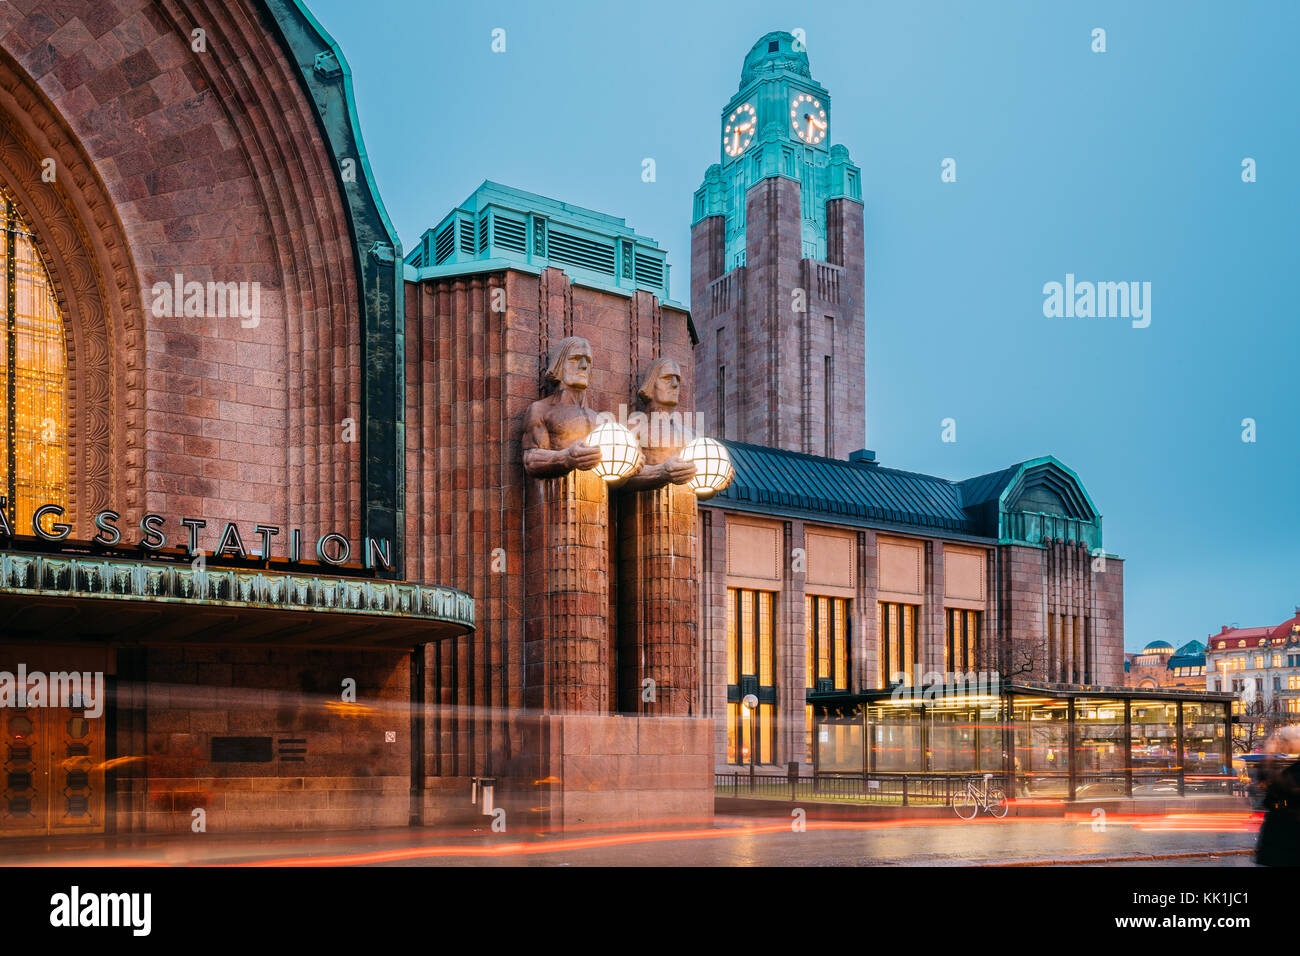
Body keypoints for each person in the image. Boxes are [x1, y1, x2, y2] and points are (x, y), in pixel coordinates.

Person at [1254, 725, 1300, 866]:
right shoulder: (1292, 769)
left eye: (1285, 741)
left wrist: (1268, 760)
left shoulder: (1293, 771)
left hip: (1287, 838)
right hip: (1283, 839)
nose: (1283, 745)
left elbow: (1272, 796)